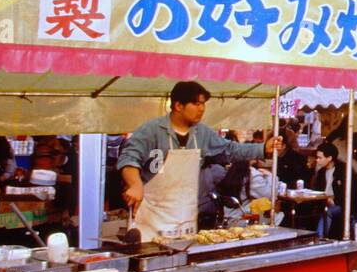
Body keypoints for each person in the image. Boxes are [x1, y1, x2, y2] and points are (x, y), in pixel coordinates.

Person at [118, 81, 282, 239]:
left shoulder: (202, 133)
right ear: (178, 106)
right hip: (152, 221)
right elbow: (129, 158)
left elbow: (230, 150)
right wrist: (135, 184)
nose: (201, 109)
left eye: (203, 104)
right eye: (196, 104)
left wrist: (262, 149)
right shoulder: (151, 130)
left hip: (186, 219)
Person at [308, 142, 346, 238]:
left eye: (320, 158)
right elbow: (317, 189)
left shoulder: (343, 171)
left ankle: (320, 237)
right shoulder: (321, 172)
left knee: (327, 211)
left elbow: (348, 193)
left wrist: (333, 199)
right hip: (323, 202)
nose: (317, 160)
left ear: (329, 158)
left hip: (340, 205)